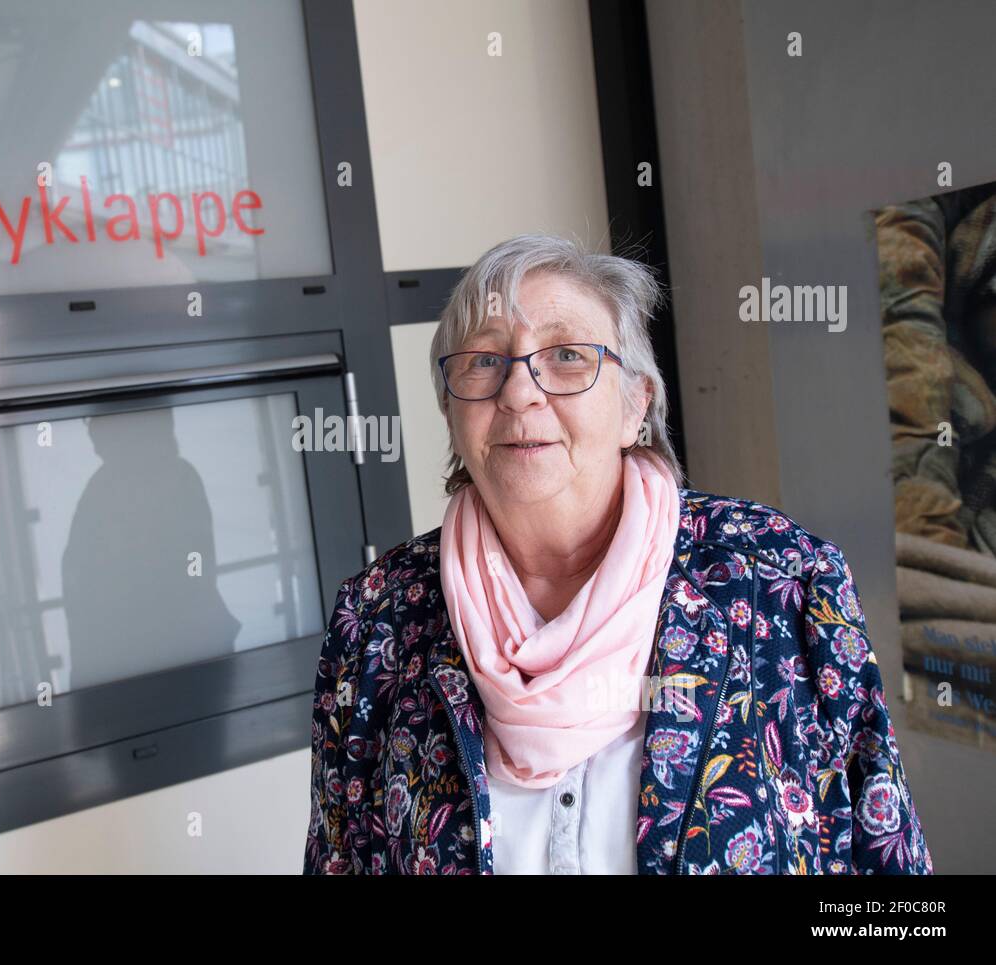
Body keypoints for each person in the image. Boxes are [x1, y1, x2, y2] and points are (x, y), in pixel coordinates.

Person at [303, 233, 932, 875]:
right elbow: (336, 859)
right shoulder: (377, 617)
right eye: (484, 361)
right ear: (451, 411)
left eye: (568, 355)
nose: (519, 392)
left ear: (638, 404)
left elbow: (885, 851)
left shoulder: (781, 575)